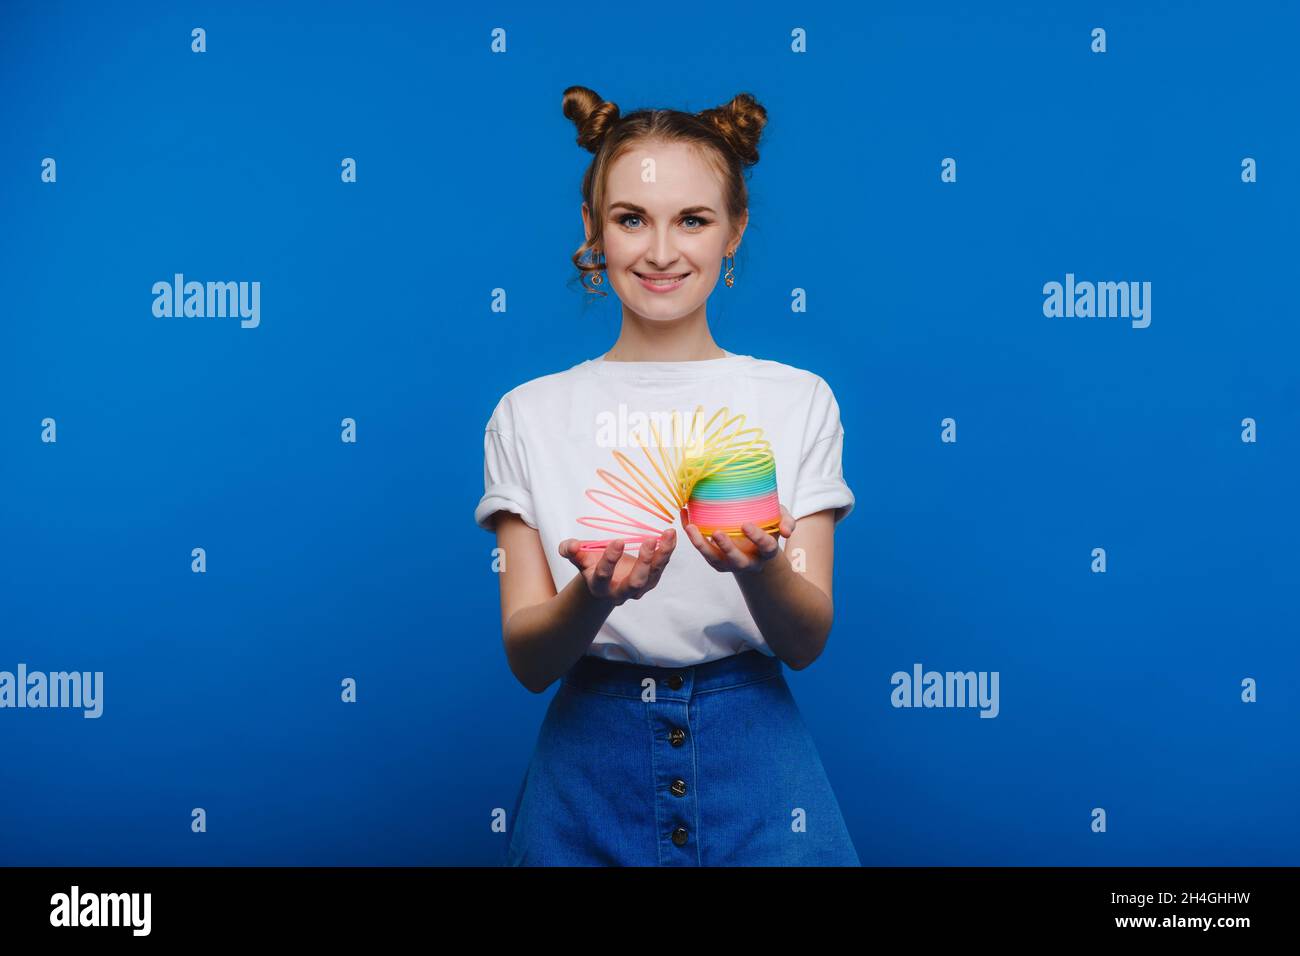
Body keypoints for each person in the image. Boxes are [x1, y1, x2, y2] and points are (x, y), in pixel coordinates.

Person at [474, 85, 860, 866]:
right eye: (630, 219)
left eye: (692, 219)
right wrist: (593, 594)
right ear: (592, 228)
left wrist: (756, 570)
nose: (658, 251)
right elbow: (528, 661)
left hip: (758, 764)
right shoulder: (527, 414)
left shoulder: (796, 400)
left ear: (734, 232)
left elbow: (806, 639)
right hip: (584, 771)